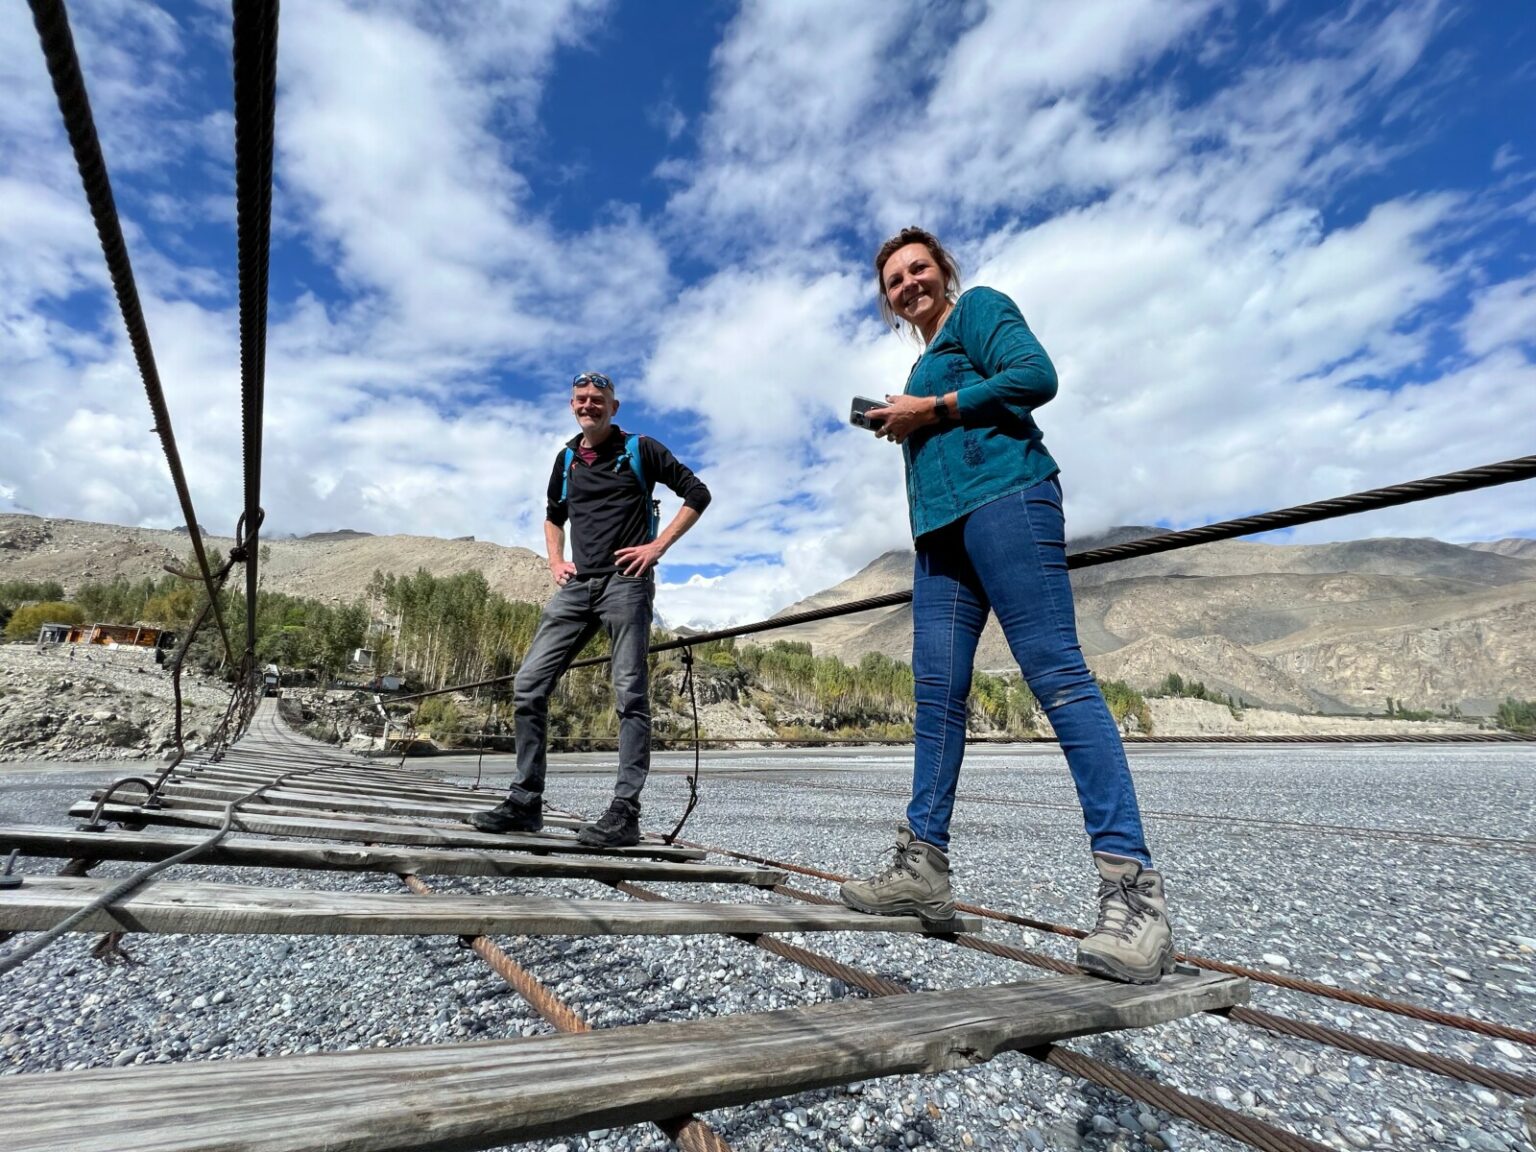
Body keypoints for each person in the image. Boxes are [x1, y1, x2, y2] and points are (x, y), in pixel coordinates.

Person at [838, 227, 1175, 984]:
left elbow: (1035, 376)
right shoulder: (919, 364)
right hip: (940, 533)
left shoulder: (979, 309)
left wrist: (934, 408)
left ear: (944, 270)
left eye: (919, 269)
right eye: (894, 281)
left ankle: (1135, 900)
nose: (909, 285)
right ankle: (923, 870)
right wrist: (909, 416)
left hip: (1007, 500)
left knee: (1058, 675)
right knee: (936, 698)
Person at [470, 371, 711, 848]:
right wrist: (555, 560)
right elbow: (553, 515)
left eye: (598, 399)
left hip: (626, 583)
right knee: (528, 685)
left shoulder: (640, 449)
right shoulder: (566, 459)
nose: (588, 405)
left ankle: (624, 813)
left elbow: (697, 493)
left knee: (630, 695)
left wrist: (656, 547)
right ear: (572, 405)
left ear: (613, 407)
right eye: (581, 399)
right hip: (578, 586)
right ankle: (525, 803)